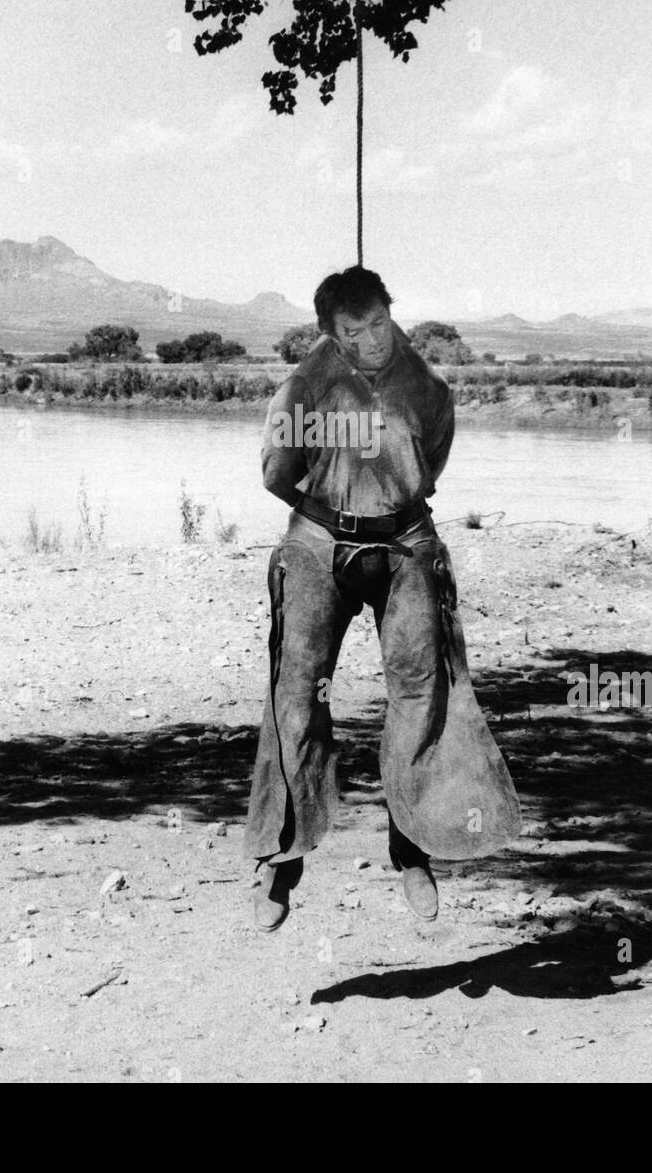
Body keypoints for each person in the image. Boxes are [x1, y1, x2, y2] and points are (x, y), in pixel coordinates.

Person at [245, 266, 521, 931]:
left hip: (405, 545)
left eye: (378, 324)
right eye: (352, 331)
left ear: (390, 315)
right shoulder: (304, 386)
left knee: (421, 691)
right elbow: (277, 472)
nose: (370, 340)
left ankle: (413, 845)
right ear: (330, 334)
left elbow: (430, 464)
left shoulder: (428, 387)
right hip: (319, 546)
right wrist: (337, 505)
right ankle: (281, 856)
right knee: (297, 691)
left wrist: (385, 500)